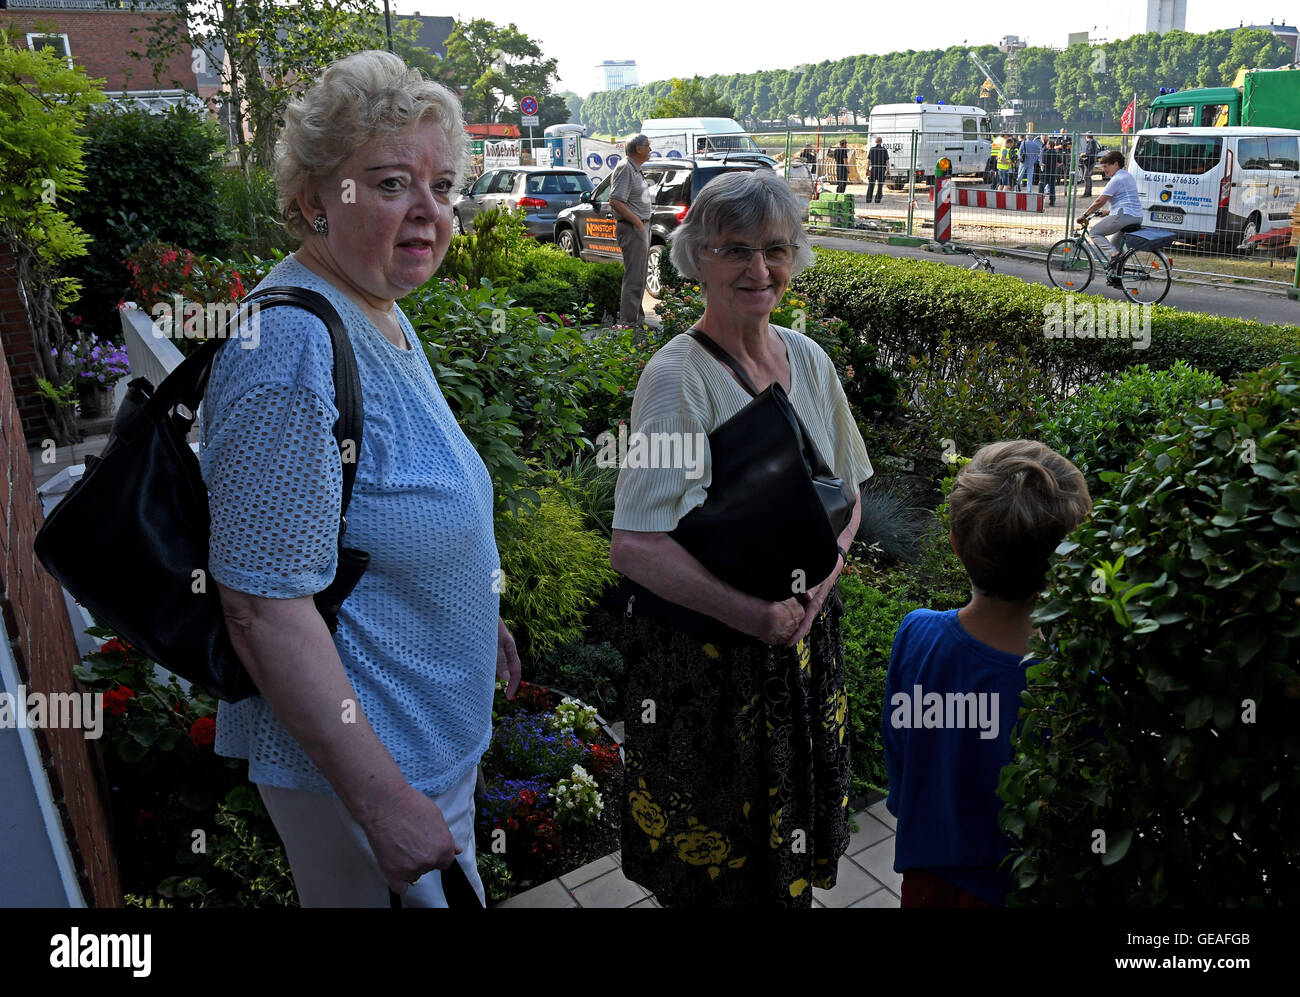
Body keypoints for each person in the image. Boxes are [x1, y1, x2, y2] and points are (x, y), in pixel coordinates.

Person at [199, 50, 521, 908]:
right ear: (314, 198)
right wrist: (380, 803)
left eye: (443, 188)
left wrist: (474, 609)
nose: (428, 213)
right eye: (389, 184)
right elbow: (261, 608)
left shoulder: (374, 311)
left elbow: (384, 516)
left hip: (423, 747)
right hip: (368, 780)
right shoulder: (291, 351)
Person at [610, 168, 872, 907]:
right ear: (697, 257)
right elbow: (634, 546)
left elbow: (851, 492)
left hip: (797, 644)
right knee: (715, 872)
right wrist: (757, 617)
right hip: (711, 669)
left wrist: (817, 590)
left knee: (783, 862)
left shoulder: (809, 359)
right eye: (735, 249)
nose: (759, 269)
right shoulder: (677, 379)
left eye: (776, 249)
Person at [884, 440, 1092, 907]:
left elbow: (900, 745)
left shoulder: (917, 636)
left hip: (928, 879)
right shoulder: (1079, 677)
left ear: (955, 542)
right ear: (1069, 561)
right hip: (1023, 889)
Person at [1078, 149, 1143, 285]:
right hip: (1135, 216)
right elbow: (1126, 200)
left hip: (1124, 217)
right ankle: (1117, 277)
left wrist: (1084, 215)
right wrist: (1108, 212)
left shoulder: (1116, 179)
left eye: (1106, 166)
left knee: (1095, 233)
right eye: (1103, 167)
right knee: (1114, 245)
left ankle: (1115, 256)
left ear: (1116, 164)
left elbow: (1099, 201)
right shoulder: (1127, 176)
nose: (1104, 170)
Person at [610, 133, 654, 327]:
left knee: (640, 277)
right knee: (634, 278)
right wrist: (637, 223)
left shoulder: (635, 169)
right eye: (648, 145)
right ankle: (628, 325)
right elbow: (615, 201)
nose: (650, 149)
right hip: (632, 229)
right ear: (638, 149)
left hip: (640, 227)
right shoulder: (625, 168)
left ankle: (638, 320)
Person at [866, 136, 889, 203]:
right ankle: (877, 199)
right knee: (880, 185)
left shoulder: (872, 149)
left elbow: (869, 160)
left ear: (876, 142)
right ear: (881, 142)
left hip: (874, 169)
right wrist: (888, 170)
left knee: (871, 184)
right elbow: (887, 161)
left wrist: (867, 169)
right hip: (881, 170)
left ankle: (868, 199)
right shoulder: (884, 150)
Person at [1039, 140, 1061, 207]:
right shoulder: (1056, 153)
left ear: (1049, 145)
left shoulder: (1045, 153)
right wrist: (1055, 165)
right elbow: (1060, 162)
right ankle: (1052, 201)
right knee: (1052, 187)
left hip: (1046, 172)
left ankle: (1040, 201)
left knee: (1042, 186)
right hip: (1053, 172)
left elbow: (1043, 163)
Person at [1081, 131, 1101, 196]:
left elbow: (1089, 152)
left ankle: (1087, 193)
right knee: (1087, 176)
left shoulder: (1091, 142)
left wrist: (1083, 154)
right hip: (1091, 161)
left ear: (1087, 136)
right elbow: (1097, 150)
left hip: (1090, 161)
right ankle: (1088, 192)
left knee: (1086, 177)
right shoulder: (1094, 142)